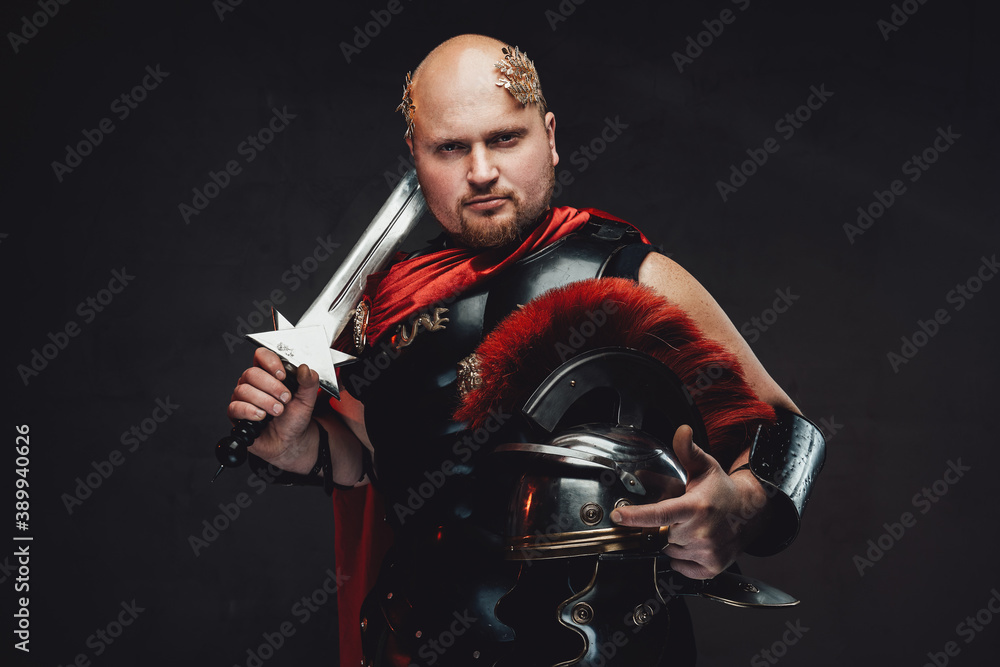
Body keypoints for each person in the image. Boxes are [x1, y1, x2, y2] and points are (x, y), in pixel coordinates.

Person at [227, 34, 824, 666]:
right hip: (414, 644)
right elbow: (384, 463)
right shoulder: (386, 302)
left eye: (505, 138)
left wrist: (740, 507)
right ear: (415, 154)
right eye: (451, 148)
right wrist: (300, 447)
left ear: (550, 134)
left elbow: (786, 434)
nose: (481, 171)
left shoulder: (628, 275)